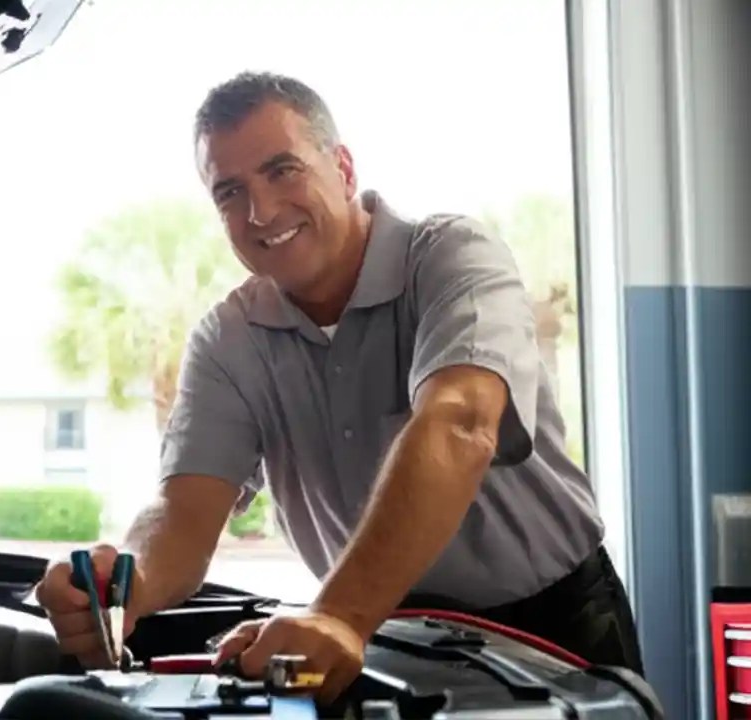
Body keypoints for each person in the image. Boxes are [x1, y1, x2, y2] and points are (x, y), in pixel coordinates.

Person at [32, 70, 643, 700]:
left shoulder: (450, 256)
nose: (260, 212)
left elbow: (460, 423)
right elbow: (184, 511)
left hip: (551, 627)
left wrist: (336, 616)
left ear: (344, 168)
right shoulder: (227, 340)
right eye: (230, 192)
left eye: (282, 171)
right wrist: (120, 582)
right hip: (378, 634)